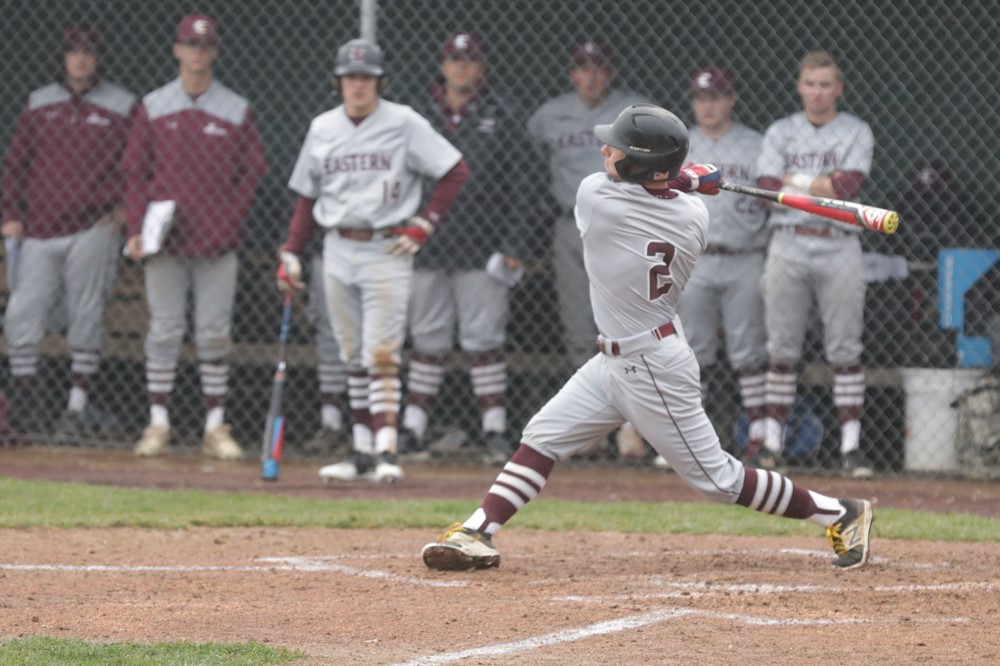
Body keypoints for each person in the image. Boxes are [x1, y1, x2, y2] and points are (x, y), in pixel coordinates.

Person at [420, 103, 874, 573]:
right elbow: (667, 191)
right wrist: (687, 180)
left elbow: (645, 189)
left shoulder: (595, 198)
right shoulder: (695, 215)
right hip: (618, 358)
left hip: (651, 365)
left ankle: (842, 512)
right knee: (543, 436)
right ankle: (477, 530)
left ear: (639, 165)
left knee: (718, 481)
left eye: (615, 148)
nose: (603, 150)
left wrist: (687, 177)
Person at [276, 38, 469, 483]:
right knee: (351, 353)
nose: (358, 85)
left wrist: (426, 222)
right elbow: (307, 195)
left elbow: (454, 169)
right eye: (350, 78)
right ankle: (361, 450)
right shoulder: (323, 127)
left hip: (387, 246)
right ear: (339, 82)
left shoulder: (402, 121)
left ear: (379, 81)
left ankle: (386, 451)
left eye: (366, 78)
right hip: (338, 245)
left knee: (380, 351)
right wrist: (290, 250)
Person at [122, 14, 267, 459]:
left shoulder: (235, 108)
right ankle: (158, 422)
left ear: (215, 53)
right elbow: (134, 173)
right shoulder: (153, 104)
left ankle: (214, 425)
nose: (197, 54)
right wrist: (135, 230)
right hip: (165, 242)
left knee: (213, 333)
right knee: (164, 330)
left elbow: (253, 174)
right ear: (177, 50)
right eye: (190, 45)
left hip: (216, 243)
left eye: (205, 47)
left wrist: (230, 224)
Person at [396, 31, 538, 465]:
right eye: (454, 59)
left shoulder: (503, 113)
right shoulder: (416, 115)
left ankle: (494, 429)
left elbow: (526, 182)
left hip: (484, 247)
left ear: (482, 66)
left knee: (484, 340)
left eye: (469, 59)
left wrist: (515, 243)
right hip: (427, 244)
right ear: (442, 65)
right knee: (427, 338)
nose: (461, 67)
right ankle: (412, 427)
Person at [1, 25, 136, 441]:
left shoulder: (122, 104)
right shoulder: (40, 102)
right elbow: (14, 165)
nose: (80, 60)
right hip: (39, 230)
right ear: (62, 58)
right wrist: (10, 214)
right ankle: (24, 413)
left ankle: (75, 410)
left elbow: (137, 166)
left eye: (89, 53)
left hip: (92, 227)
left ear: (99, 59)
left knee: (86, 314)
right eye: (73, 52)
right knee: (21, 313)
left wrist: (123, 211)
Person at [526, 37, 652, 460]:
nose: (591, 75)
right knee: (579, 329)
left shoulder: (634, 110)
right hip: (569, 227)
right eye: (583, 67)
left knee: (628, 327)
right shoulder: (548, 115)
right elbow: (524, 166)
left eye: (599, 67)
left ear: (610, 73)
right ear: (571, 73)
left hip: (623, 228)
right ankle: (594, 426)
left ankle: (632, 427)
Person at [754, 51, 876, 478]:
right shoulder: (780, 131)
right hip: (787, 242)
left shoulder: (856, 130)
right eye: (811, 83)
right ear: (799, 86)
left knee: (845, 348)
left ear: (838, 89)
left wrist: (794, 180)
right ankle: (771, 444)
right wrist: (812, 185)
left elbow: (847, 186)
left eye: (827, 84)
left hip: (839, 242)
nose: (819, 91)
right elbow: (767, 186)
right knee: (780, 350)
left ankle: (851, 447)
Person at [676, 67, 769, 462]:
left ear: (730, 99)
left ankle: (762, 441)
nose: (708, 105)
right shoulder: (680, 144)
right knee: (694, 352)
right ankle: (691, 443)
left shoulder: (756, 144)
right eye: (701, 98)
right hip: (694, 259)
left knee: (749, 353)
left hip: (744, 256)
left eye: (716, 97)